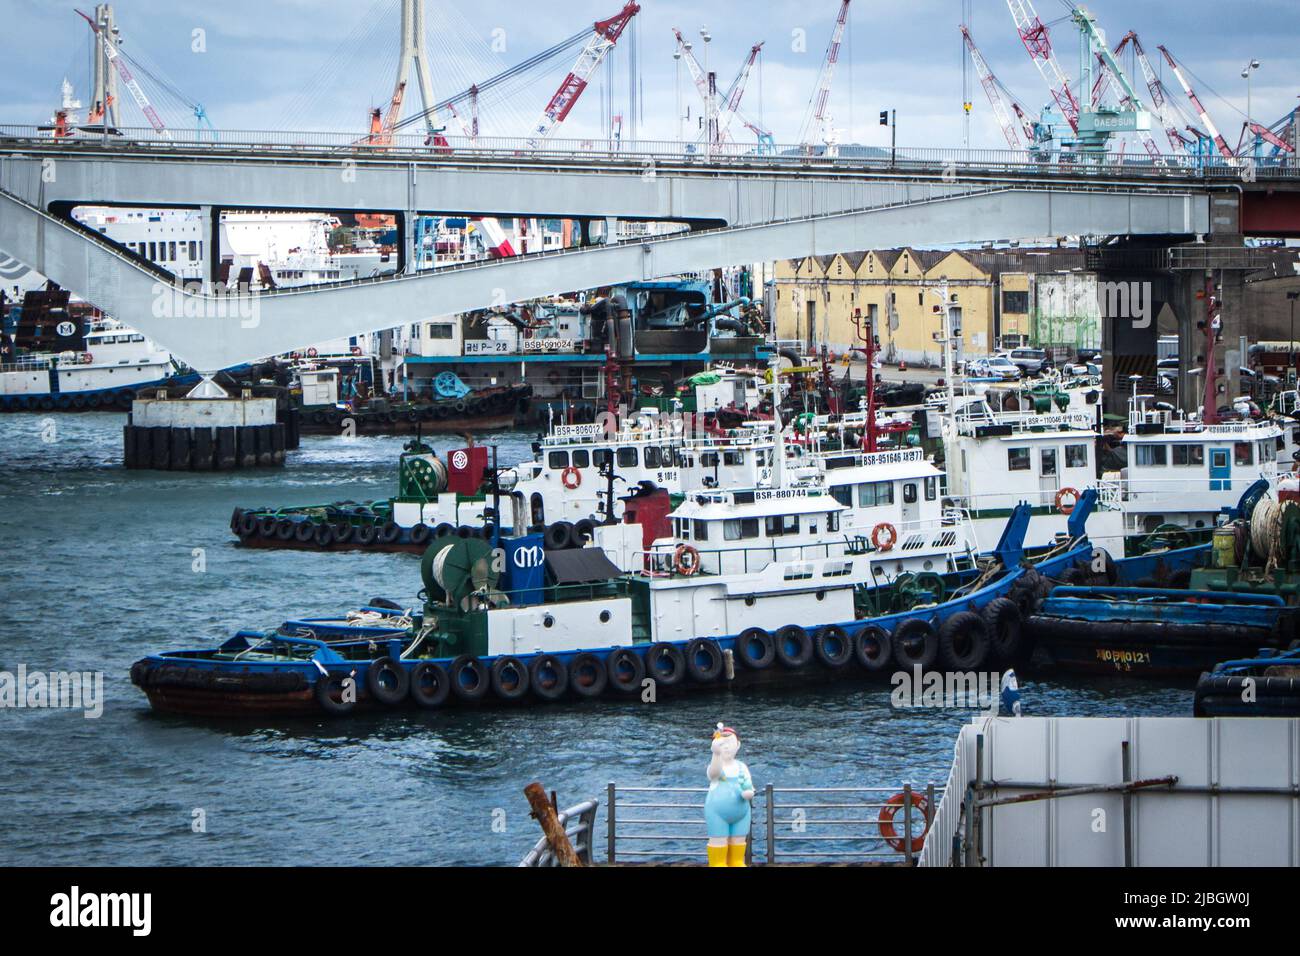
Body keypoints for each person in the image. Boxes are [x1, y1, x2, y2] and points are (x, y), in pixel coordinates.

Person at [704, 723, 754, 867]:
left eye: (730, 743)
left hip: (742, 813)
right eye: (722, 743)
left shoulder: (741, 766)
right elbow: (714, 774)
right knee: (718, 851)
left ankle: (737, 862)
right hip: (717, 813)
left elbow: (749, 785)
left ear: (738, 745)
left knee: (737, 853)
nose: (726, 746)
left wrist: (749, 793)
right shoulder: (716, 765)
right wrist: (716, 754)